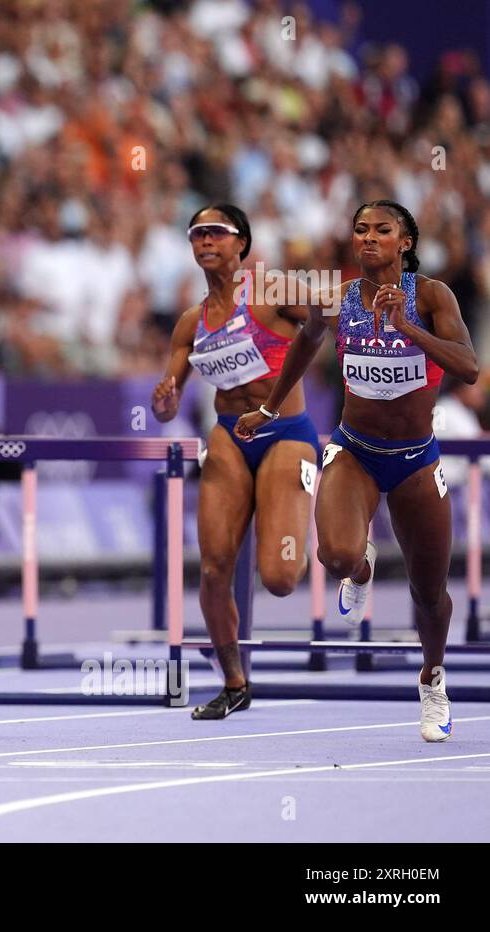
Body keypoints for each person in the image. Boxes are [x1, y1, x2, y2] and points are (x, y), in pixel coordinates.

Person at [237, 200, 480, 742]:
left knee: (430, 594)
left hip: (418, 459)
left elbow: (467, 367)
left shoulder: (433, 295)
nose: (368, 237)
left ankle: (433, 679)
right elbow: (304, 344)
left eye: (382, 230)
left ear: (405, 242)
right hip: (354, 451)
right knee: (336, 555)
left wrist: (406, 328)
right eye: (360, 229)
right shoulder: (340, 298)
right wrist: (271, 409)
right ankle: (362, 568)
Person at [152, 204, 319, 720]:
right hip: (228, 436)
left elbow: (326, 321)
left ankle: (352, 557)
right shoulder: (190, 324)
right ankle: (234, 682)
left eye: (216, 233)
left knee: (280, 577)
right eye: (196, 234)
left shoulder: (273, 292)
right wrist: (164, 402)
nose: (205, 241)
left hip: (285, 433)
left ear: (240, 243)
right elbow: (167, 403)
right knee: (213, 568)